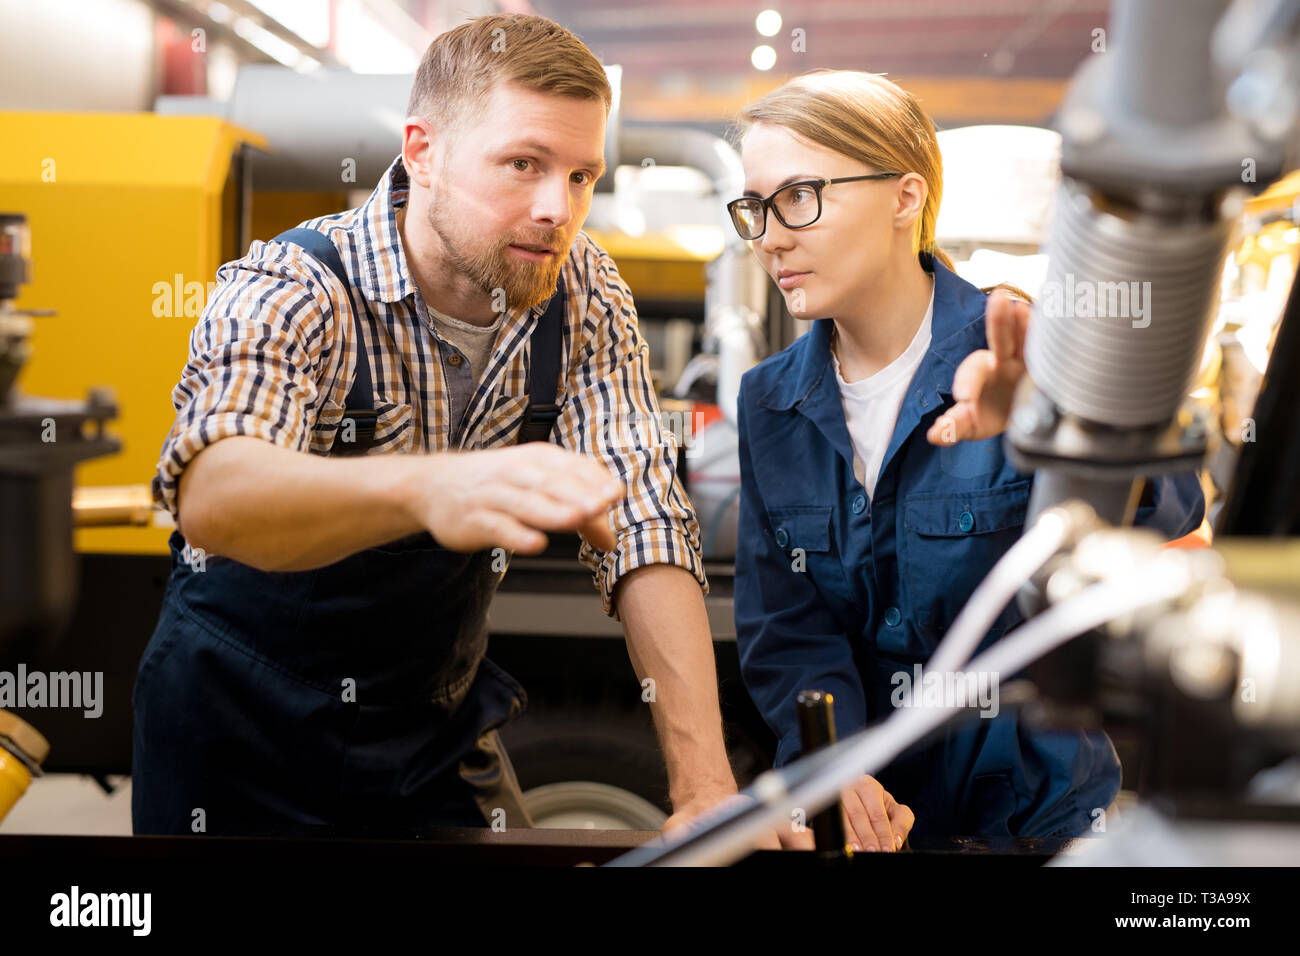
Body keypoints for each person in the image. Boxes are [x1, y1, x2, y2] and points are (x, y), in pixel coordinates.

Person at [132, 14, 738, 837]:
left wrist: (704, 788)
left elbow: (643, 525)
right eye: (523, 163)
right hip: (233, 733)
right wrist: (430, 484)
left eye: (581, 175)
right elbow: (214, 493)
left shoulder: (582, 291)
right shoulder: (294, 285)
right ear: (421, 151)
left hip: (428, 730)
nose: (556, 209)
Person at [729, 70, 1205, 850]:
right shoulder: (769, 402)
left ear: (904, 198)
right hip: (871, 828)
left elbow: (1177, 507)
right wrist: (837, 768)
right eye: (756, 207)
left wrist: (1059, 420)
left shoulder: (1024, 352)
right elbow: (789, 630)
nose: (772, 235)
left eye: (800, 197)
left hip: (1040, 826)